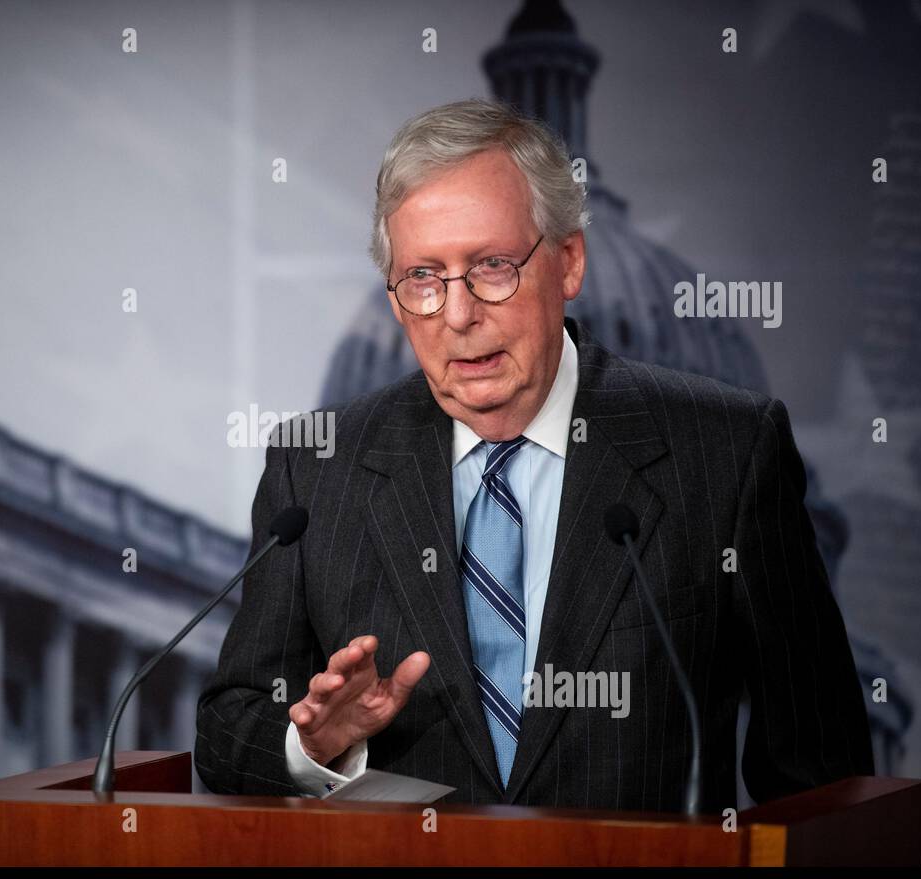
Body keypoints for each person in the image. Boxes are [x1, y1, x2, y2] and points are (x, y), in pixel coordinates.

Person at [195, 98, 873, 810]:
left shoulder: (727, 454)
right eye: (423, 279)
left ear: (569, 263)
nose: (458, 315)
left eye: (492, 266)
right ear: (395, 300)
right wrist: (313, 747)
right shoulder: (316, 469)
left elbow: (820, 773)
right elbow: (225, 731)